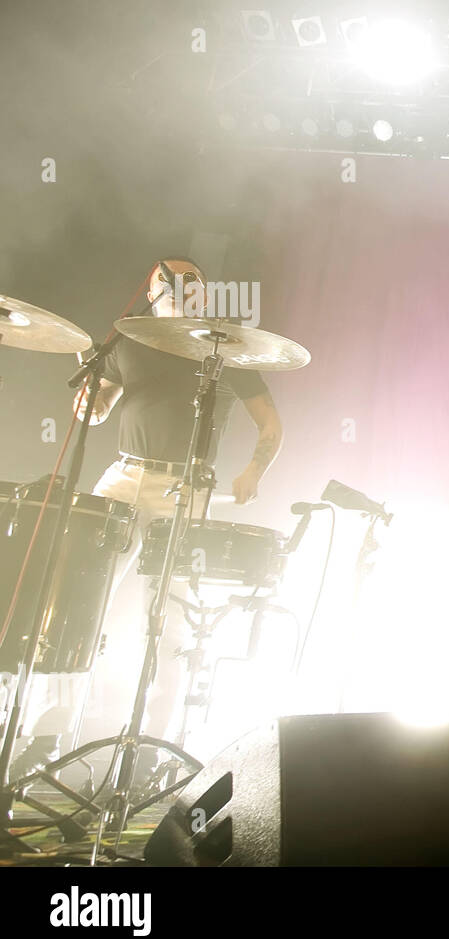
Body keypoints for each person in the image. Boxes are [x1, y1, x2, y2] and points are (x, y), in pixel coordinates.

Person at [75, 257, 283, 749]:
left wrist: (254, 469)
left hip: (184, 489)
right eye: (170, 280)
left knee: (170, 619)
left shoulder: (224, 350)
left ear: (205, 292)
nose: (182, 286)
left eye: (193, 280)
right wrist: (90, 401)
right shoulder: (130, 339)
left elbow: (271, 425)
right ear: (153, 291)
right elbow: (98, 406)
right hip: (123, 476)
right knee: (80, 595)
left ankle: (152, 744)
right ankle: (53, 732)